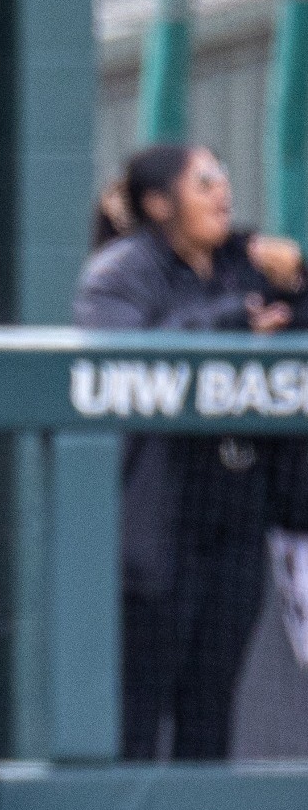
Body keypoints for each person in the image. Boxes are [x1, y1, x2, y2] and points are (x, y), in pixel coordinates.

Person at [74, 143, 305, 760]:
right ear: (159, 203)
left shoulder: (246, 261)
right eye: (203, 182)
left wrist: (299, 279)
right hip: (157, 528)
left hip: (238, 516)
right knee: (138, 717)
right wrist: (231, 323)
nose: (222, 192)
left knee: (210, 713)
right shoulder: (122, 271)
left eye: (223, 178)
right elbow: (123, 359)